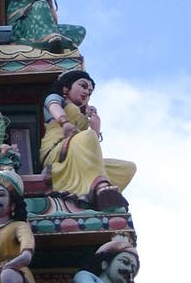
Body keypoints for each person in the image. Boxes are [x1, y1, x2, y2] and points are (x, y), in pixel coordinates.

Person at [39, 70, 136, 209]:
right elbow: (53, 106)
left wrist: (95, 128)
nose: (86, 93)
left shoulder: (83, 116)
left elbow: (89, 149)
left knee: (128, 168)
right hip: (57, 151)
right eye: (83, 86)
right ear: (66, 88)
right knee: (87, 136)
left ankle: (91, 190)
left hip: (78, 157)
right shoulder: (58, 100)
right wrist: (65, 122)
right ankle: (100, 187)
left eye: (90, 92)